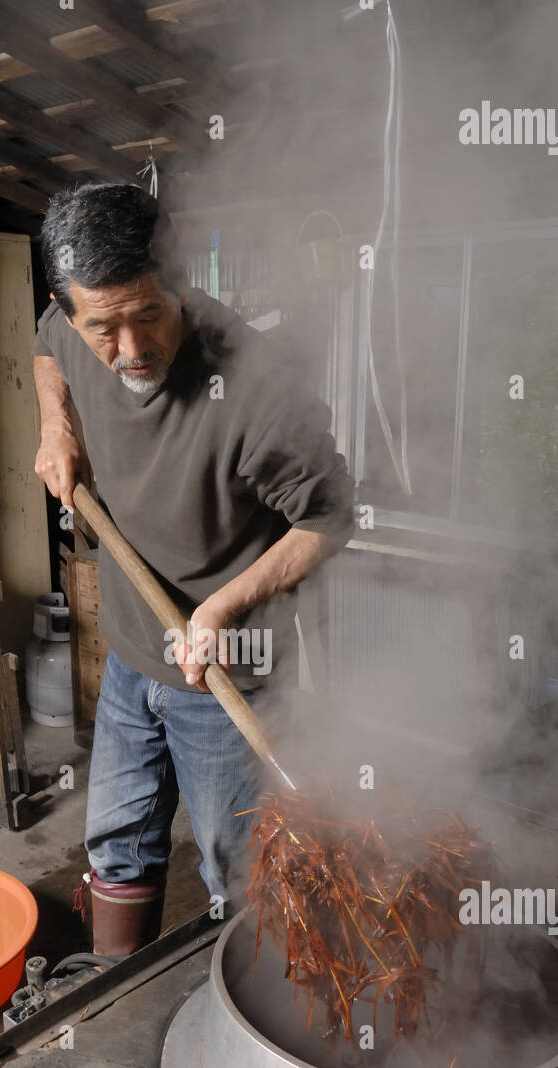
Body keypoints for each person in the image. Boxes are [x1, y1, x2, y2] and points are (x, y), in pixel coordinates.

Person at [33, 182, 353, 954]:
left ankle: (250, 1026)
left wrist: (223, 609)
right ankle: (117, 992)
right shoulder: (71, 324)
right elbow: (48, 344)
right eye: (105, 327)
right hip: (132, 655)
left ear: (179, 283)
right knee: (116, 844)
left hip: (226, 675)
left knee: (237, 871)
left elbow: (332, 517)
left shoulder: (257, 386)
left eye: (150, 314)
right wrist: (57, 426)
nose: (133, 348)